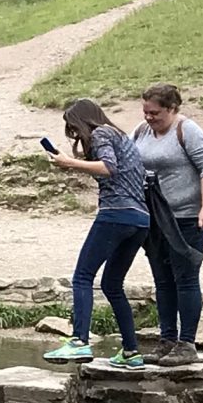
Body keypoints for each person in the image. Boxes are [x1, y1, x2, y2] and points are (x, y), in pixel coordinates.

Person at [40, 97, 150, 369]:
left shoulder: (101, 133)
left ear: (83, 121)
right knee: (112, 285)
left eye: (75, 129)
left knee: (82, 276)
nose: (76, 135)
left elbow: (108, 167)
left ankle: (79, 341)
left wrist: (70, 164)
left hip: (116, 214)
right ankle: (131, 352)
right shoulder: (122, 138)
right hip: (141, 220)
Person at [135, 83, 203, 365]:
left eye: (155, 112)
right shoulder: (142, 130)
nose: (149, 117)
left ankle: (187, 343)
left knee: (185, 277)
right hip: (155, 217)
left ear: (172, 109)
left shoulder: (188, 131)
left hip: (187, 217)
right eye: (146, 111)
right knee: (162, 278)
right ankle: (167, 339)